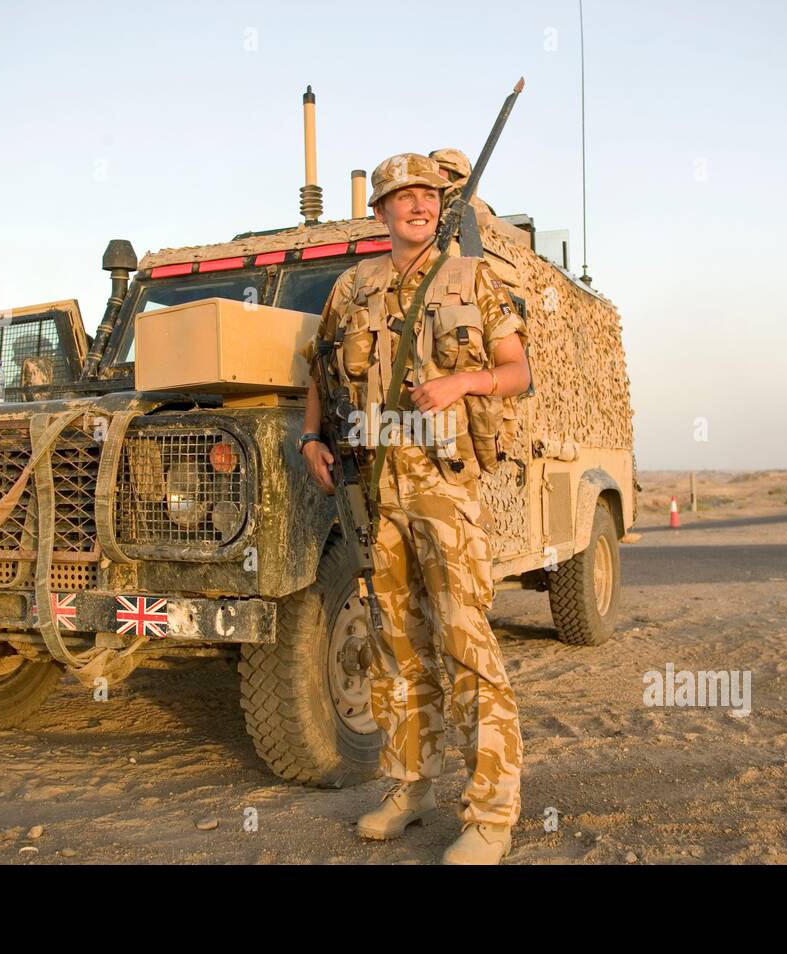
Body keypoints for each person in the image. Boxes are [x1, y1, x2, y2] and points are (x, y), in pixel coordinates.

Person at [299, 152, 530, 864]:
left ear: (440, 205)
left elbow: (518, 372)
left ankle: (491, 814)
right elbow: (319, 370)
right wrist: (311, 436)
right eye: (402, 198)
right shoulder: (351, 286)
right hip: (374, 486)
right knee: (393, 644)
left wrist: (464, 382)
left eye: (427, 196)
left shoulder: (471, 277)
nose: (416, 207)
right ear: (381, 212)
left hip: (443, 486)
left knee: (465, 640)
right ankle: (410, 785)